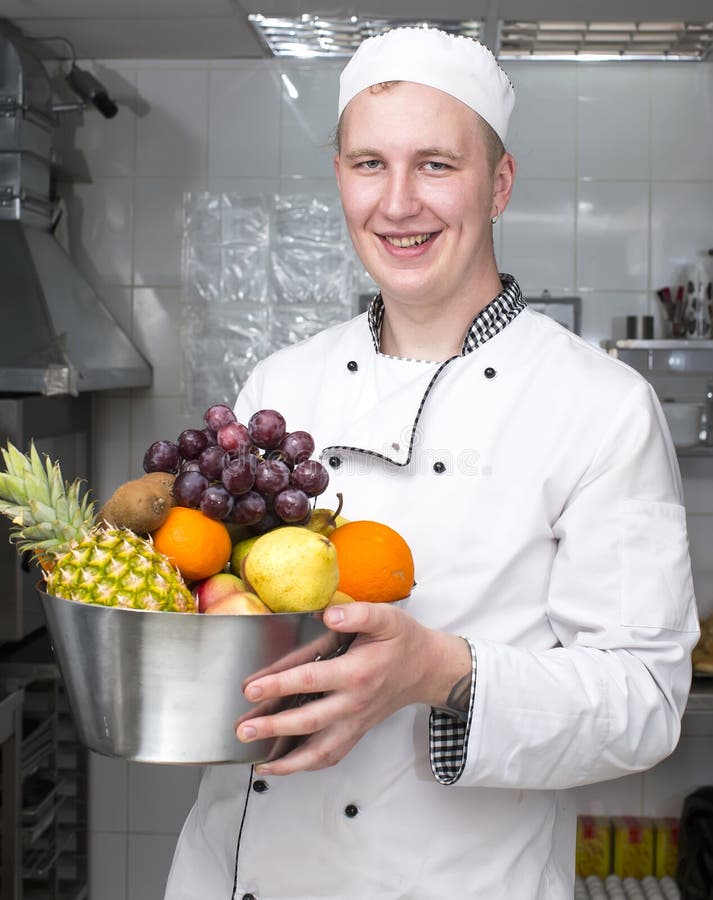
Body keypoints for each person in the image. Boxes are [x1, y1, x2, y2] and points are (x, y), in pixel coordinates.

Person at [165, 27, 699, 899]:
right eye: (368, 164)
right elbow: (223, 610)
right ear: (338, 175)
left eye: (437, 166)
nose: (398, 203)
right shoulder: (281, 381)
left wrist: (440, 674)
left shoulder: (597, 404)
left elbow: (643, 704)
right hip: (232, 869)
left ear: (499, 184)